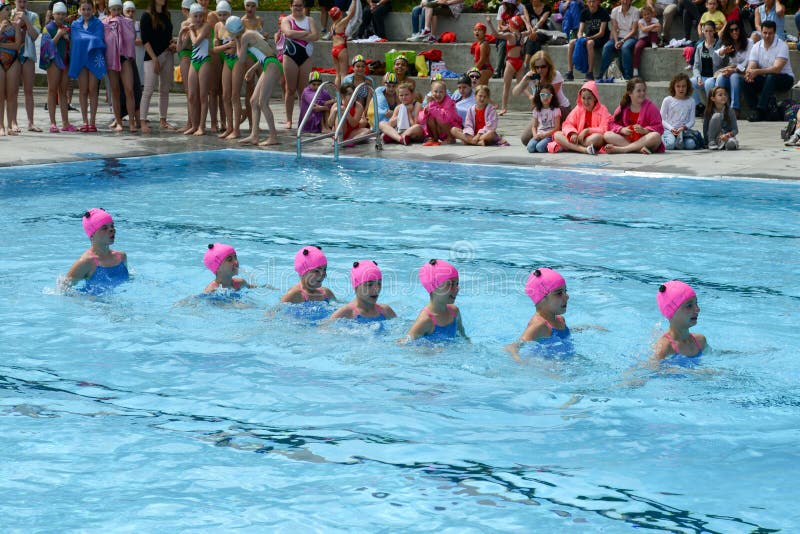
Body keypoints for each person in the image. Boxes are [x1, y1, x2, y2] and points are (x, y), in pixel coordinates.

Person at [234, 16, 282, 146]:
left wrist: (237, 41)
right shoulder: (251, 33)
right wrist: (252, 69)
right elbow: (265, 53)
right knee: (254, 101)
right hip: (268, 63)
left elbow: (241, 58)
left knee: (263, 102)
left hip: (271, 65)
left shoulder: (244, 37)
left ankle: (273, 137)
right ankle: (254, 135)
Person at [507, 267, 572, 361]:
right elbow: (512, 347)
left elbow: (560, 334)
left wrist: (587, 328)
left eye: (565, 291)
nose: (566, 296)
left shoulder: (560, 320)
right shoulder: (539, 325)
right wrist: (522, 364)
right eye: (559, 293)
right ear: (542, 298)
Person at [65, 208, 130, 294]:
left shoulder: (121, 257)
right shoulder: (86, 262)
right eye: (104, 228)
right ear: (92, 235)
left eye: (112, 226)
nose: (112, 230)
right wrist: (87, 301)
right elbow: (63, 289)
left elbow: (129, 281)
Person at [513, 51, 569, 146]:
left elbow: (549, 99)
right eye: (537, 67)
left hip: (559, 109)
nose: (540, 70)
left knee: (547, 133)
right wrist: (525, 79)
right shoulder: (532, 76)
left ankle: (554, 136)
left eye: (543, 66)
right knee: (525, 139)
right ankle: (549, 137)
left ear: (548, 66)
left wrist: (538, 86)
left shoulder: (555, 75)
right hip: (542, 112)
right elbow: (515, 92)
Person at [743, 20, 793, 121]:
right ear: (761, 32)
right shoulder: (756, 46)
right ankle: (754, 110)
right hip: (766, 79)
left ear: (774, 33)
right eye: (765, 33)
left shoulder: (782, 46)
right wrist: (749, 73)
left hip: (785, 79)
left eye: (770, 33)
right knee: (744, 81)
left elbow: (776, 69)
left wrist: (756, 72)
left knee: (771, 77)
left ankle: (760, 110)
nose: (767, 36)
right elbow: (752, 64)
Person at [405, 259, 466, 342]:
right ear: (433, 287)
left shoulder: (454, 312)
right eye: (450, 284)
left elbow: (463, 337)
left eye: (457, 284)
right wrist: (429, 351)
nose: (456, 289)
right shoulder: (426, 320)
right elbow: (404, 344)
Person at [69, 0, 106, 132]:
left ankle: (93, 122)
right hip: (80, 58)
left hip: (94, 58)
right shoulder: (74, 24)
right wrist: (89, 39)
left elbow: (99, 40)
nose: (86, 12)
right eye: (83, 9)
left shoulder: (98, 24)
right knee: (83, 90)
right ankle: (84, 121)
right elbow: (76, 40)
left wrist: (85, 39)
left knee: (92, 89)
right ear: (80, 10)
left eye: (88, 9)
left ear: (93, 10)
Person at [281, 0, 318, 129]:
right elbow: (288, 33)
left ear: (303, 6)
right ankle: (289, 120)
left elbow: (315, 36)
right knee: (290, 89)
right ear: (290, 6)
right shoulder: (286, 20)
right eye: (295, 5)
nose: (298, 7)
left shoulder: (309, 20)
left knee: (303, 91)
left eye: (300, 5)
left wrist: (296, 34)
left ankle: (303, 119)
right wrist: (305, 33)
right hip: (290, 56)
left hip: (305, 57)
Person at [139, 0, 174, 134]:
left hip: (167, 54)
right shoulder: (146, 16)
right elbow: (145, 40)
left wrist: (172, 44)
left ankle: (163, 120)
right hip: (152, 57)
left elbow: (167, 36)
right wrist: (154, 58)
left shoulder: (167, 15)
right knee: (148, 89)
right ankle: (143, 121)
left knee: (164, 89)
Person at [103, 0, 138, 133]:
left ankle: (131, 122)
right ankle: (118, 122)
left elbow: (130, 40)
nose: (116, 12)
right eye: (114, 9)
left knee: (129, 90)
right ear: (109, 9)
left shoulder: (127, 22)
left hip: (124, 58)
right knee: (115, 91)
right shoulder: (104, 23)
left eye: (119, 9)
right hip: (112, 59)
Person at [40, 2, 75, 133]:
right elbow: (45, 49)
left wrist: (67, 38)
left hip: (65, 61)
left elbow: (73, 46)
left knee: (63, 92)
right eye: (58, 14)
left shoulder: (68, 27)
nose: (60, 16)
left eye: (63, 14)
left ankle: (66, 123)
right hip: (53, 62)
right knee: (52, 90)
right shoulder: (48, 28)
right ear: (53, 14)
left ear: (65, 15)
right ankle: (53, 123)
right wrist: (59, 35)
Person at [604, 77, 664, 154]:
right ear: (630, 93)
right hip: (628, 140)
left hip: (645, 140)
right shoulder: (623, 106)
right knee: (607, 135)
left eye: (644, 90)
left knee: (656, 136)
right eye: (639, 91)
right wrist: (621, 129)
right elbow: (611, 124)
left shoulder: (651, 107)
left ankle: (623, 149)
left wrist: (645, 130)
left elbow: (659, 127)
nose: (642, 93)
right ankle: (638, 150)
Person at [652, 280, 707, 362]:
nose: (697, 309)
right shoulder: (665, 347)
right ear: (672, 312)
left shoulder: (700, 341)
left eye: (696, 303)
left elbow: (715, 355)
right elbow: (654, 370)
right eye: (689, 306)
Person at [553, 80, 610, 154]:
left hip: (590, 139)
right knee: (557, 134)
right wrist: (573, 133)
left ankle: (572, 146)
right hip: (578, 137)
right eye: (583, 98)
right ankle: (584, 150)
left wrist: (587, 130)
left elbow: (604, 129)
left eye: (589, 98)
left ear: (595, 98)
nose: (586, 102)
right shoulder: (578, 108)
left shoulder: (603, 109)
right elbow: (567, 123)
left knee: (597, 137)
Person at [330, 260, 397, 322]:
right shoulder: (345, 314)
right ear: (356, 287)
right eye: (370, 284)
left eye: (379, 283)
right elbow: (324, 329)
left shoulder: (386, 311)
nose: (376, 288)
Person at [486, 14, 526, 116]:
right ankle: (531, 98)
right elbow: (531, 31)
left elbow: (496, 35)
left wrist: (490, 23)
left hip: (511, 63)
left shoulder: (510, 35)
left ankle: (504, 108)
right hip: (520, 62)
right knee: (521, 85)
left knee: (506, 87)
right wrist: (526, 21)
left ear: (512, 25)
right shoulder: (522, 35)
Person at [10, 0, 40, 132]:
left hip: (27, 55)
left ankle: (30, 122)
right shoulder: (8, 14)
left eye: (24, 1)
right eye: (19, 1)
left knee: (29, 91)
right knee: (13, 91)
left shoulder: (34, 16)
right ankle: (14, 122)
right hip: (12, 56)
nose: (22, 4)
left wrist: (26, 20)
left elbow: (34, 36)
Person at [183, 2, 212, 136]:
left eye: (201, 16)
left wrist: (190, 30)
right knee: (192, 95)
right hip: (194, 61)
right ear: (191, 16)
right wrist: (183, 31)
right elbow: (182, 46)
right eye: (196, 16)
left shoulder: (206, 26)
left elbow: (195, 42)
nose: (199, 19)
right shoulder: (191, 27)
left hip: (204, 61)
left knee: (203, 96)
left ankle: (202, 126)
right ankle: (194, 126)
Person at [213, 2, 240, 139]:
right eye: (220, 14)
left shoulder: (235, 23)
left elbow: (238, 47)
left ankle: (236, 129)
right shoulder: (217, 26)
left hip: (236, 61)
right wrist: (228, 45)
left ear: (230, 13)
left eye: (225, 14)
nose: (222, 17)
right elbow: (215, 49)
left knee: (235, 96)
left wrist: (229, 47)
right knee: (225, 95)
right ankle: (229, 128)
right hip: (226, 61)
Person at [565, 0, 610, 81]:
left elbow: (601, 33)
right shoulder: (584, 12)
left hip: (600, 38)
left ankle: (590, 73)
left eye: (594, 1)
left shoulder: (603, 12)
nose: (592, 4)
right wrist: (580, 38)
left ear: (598, 2)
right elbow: (580, 31)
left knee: (589, 43)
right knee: (572, 42)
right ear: (587, 3)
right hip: (588, 37)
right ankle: (570, 72)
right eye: (590, 2)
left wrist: (588, 38)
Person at [713, 21, 750, 115]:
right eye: (731, 30)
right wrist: (722, 52)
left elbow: (748, 61)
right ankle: (720, 107)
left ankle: (735, 108)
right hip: (731, 71)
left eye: (736, 29)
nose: (734, 32)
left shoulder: (749, 42)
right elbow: (716, 59)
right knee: (721, 77)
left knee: (734, 77)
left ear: (740, 30)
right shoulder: (728, 43)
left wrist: (734, 70)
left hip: (744, 72)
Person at [660, 72, 703, 149]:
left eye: (684, 86)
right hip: (669, 130)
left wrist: (684, 127)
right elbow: (661, 119)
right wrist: (671, 128)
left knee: (691, 145)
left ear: (688, 87)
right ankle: (662, 140)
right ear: (673, 87)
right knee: (669, 145)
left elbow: (692, 121)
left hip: (683, 132)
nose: (681, 89)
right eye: (678, 86)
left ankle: (677, 142)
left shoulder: (691, 101)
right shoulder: (668, 100)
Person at [599, 0, 639, 82]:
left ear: (630, 1)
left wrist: (623, 40)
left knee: (625, 47)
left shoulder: (635, 11)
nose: (625, 1)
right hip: (618, 37)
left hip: (631, 37)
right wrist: (617, 41)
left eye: (627, 0)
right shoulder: (615, 10)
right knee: (607, 46)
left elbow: (634, 30)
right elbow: (614, 28)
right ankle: (602, 74)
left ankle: (627, 76)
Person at [418, 77, 461, 145]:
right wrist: (426, 111)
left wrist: (432, 105)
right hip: (440, 131)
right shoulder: (430, 101)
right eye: (435, 91)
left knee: (440, 118)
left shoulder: (448, 101)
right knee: (430, 117)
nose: (438, 94)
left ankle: (450, 138)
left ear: (445, 93)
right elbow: (421, 120)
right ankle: (435, 138)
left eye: (441, 92)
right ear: (431, 92)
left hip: (451, 129)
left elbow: (445, 118)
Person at [0, 1, 21, 137]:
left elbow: (17, 45)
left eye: (10, 9)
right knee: (0, 96)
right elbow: (12, 44)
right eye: (6, 9)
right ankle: (0, 126)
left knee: (12, 95)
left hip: (13, 61)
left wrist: (1, 44)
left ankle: (10, 126)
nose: (9, 12)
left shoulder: (15, 25)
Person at [691, 21, 722, 111]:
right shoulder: (699, 46)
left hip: (714, 76)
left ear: (714, 31)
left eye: (710, 31)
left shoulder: (719, 45)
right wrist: (698, 78)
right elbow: (696, 66)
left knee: (709, 83)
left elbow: (718, 63)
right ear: (703, 31)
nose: (708, 33)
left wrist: (711, 47)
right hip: (703, 76)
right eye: (706, 31)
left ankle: (712, 108)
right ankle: (699, 106)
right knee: (690, 82)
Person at [526, 82, 561, 152]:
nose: (545, 97)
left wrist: (545, 135)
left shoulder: (556, 110)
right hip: (539, 134)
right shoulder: (537, 109)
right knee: (530, 148)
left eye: (548, 95)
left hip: (549, 135)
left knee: (540, 147)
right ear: (539, 96)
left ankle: (554, 145)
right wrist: (535, 135)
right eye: (542, 95)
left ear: (552, 96)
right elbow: (534, 126)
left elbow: (557, 128)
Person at [176, 0, 194, 133]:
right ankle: (194, 122)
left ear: (183, 10)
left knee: (189, 92)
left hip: (186, 56)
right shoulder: (199, 21)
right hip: (194, 55)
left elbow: (182, 45)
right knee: (194, 92)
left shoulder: (186, 23)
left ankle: (190, 123)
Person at [328, 3, 355, 88]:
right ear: (339, 15)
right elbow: (351, 14)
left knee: (337, 75)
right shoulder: (341, 24)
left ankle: (338, 95)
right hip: (341, 49)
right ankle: (344, 95)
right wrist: (354, 1)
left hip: (334, 50)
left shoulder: (332, 27)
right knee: (344, 74)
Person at [631, 5, 661, 79]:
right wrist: (653, 26)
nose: (646, 16)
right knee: (637, 47)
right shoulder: (640, 21)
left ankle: (653, 43)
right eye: (644, 15)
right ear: (642, 16)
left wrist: (649, 28)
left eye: (648, 14)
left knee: (653, 32)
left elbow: (658, 29)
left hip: (653, 38)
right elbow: (643, 29)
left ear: (651, 14)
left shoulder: (655, 20)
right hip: (643, 39)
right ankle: (635, 68)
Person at [123, 1, 143, 83]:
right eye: (128, 11)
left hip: (139, 56)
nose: (130, 13)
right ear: (123, 12)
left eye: (133, 11)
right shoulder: (121, 25)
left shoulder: (139, 24)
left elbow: (146, 39)